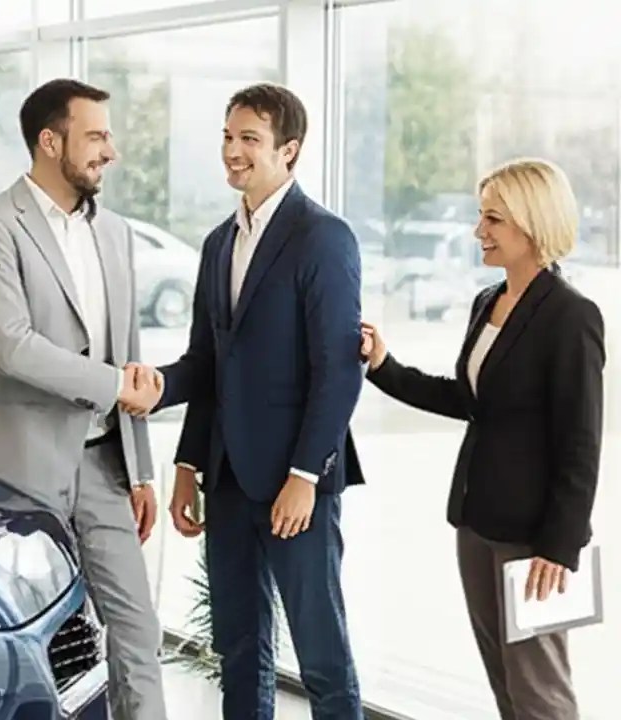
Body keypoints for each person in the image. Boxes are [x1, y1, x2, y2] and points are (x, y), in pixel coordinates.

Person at [131, 82, 366, 719]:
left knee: (321, 654)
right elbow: (208, 364)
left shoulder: (324, 238)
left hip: (296, 485)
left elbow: (339, 373)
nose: (234, 152)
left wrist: (305, 476)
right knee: (238, 649)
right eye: (229, 137)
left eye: (250, 140)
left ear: (289, 150)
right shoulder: (217, 244)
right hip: (229, 478)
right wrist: (183, 459)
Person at [360, 157, 603, 720]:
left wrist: (558, 546)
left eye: (492, 219)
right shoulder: (487, 302)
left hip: (533, 539)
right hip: (475, 520)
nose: (478, 232)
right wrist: (384, 366)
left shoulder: (572, 317)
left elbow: (580, 443)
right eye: (480, 216)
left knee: (540, 690)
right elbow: (470, 402)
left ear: (531, 222)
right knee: (504, 681)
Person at [0, 78, 167, 720]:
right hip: (19, 468)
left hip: (105, 464)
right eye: (96, 135)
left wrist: (142, 467)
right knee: (27, 641)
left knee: (138, 633)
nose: (112, 149)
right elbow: (11, 346)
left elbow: (125, 347)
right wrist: (112, 386)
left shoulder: (118, 234)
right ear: (51, 142)